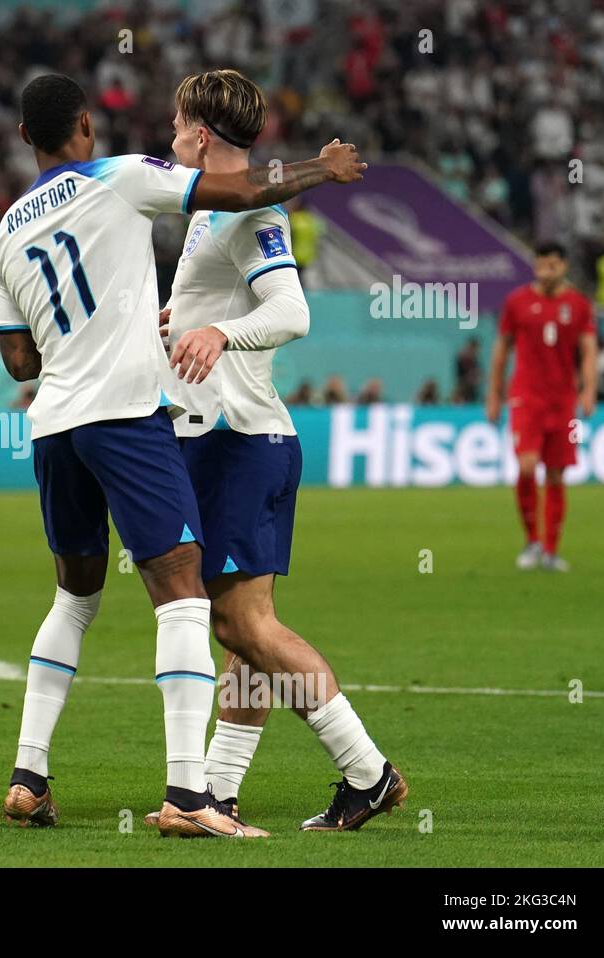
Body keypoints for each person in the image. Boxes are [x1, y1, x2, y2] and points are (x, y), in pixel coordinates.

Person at [0, 73, 365, 838]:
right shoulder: (120, 177)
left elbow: (21, 362)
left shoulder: (1, 234)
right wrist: (322, 168)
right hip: (128, 414)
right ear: (86, 125)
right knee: (189, 599)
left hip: (56, 422)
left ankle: (29, 776)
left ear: (24, 137)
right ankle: (193, 795)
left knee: (75, 600)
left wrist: (120, 326)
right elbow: (237, 191)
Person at [153, 68, 404, 833]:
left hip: (241, 440)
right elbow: (220, 299)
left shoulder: (252, 217)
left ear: (199, 132)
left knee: (244, 628)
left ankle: (367, 771)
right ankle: (220, 789)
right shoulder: (213, 210)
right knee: (241, 631)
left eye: (175, 123)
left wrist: (219, 331)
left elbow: (291, 310)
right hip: (223, 437)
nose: (169, 134)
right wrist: (183, 316)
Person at [486, 242, 598, 571]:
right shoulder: (517, 302)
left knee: (556, 474)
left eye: (551, 265)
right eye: (539, 265)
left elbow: (589, 349)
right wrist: (494, 395)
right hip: (525, 396)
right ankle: (532, 541)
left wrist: (588, 390)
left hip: (563, 401)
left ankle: (551, 550)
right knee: (525, 465)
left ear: (563, 266)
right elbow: (501, 350)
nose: (544, 271)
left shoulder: (578, 305)